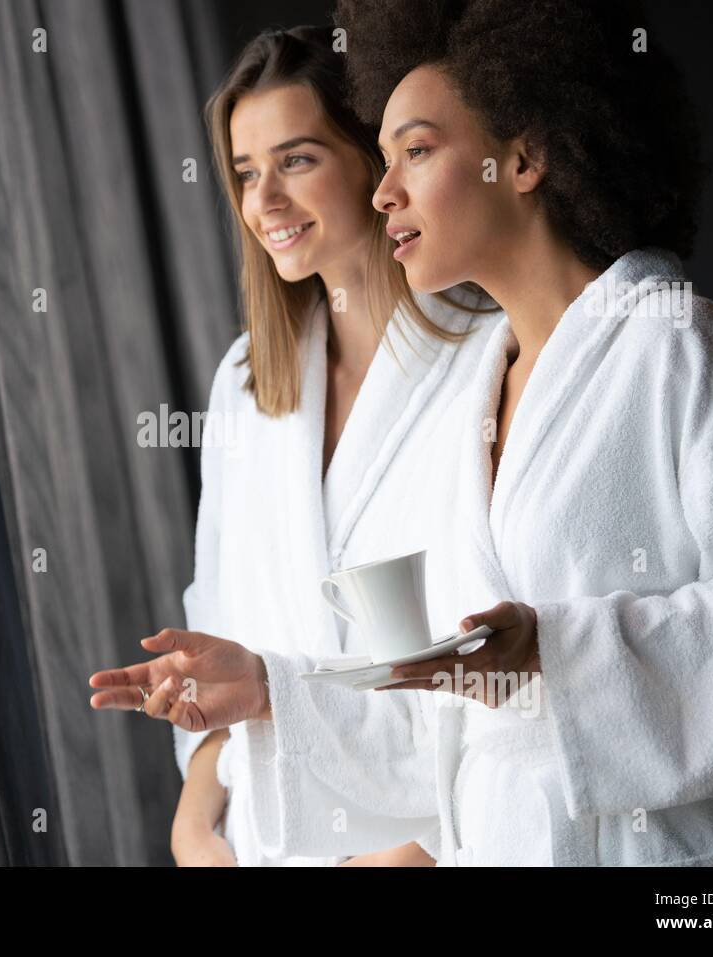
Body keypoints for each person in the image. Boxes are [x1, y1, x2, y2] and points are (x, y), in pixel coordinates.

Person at [92, 0, 713, 866]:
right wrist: (270, 692)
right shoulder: (475, 407)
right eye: (384, 159)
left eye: (415, 150)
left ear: (523, 157)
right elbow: (446, 721)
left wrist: (560, 653)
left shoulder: (671, 345)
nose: (385, 192)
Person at [167, 25, 497, 866]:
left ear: (372, 160)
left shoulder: (487, 358)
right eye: (246, 173)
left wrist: (406, 853)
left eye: (298, 159)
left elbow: (499, 647)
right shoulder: (245, 385)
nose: (265, 201)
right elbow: (219, 615)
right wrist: (197, 806)